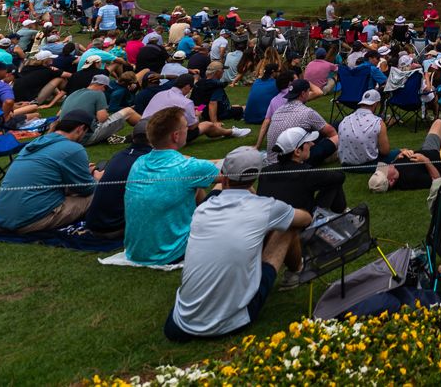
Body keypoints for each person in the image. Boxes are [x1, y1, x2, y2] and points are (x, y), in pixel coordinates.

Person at [164, 146, 310, 342]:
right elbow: (305, 219)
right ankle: (296, 271)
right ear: (255, 178)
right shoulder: (266, 207)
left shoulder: (202, 210)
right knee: (287, 227)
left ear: (223, 177)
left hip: (180, 324)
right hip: (232, 321)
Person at [124, 107, 221, 265]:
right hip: (171, 253)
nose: (189, 130)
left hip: (136, 252)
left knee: (195, 185)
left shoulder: (139, 162)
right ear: (176, 136)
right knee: (227, 186)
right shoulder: (188, 167)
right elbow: (235, 174)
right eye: (185, 127)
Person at [0, 111, 99, 233]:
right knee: (101, 192)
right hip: (28, 221)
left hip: (1, 219)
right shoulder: (73, 148)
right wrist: (97, 177)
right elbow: (86, 189)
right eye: (86, 132)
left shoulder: (35, 143)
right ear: (80, 129)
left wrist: (82, 172)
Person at [84, 119, 154, 237]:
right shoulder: (148, 161)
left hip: (93, 223)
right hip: (113, 228)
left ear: (132, 137)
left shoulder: (120, 155)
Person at [259, 127, 348, 215]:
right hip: (299, 225)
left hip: (267, 223)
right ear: (297, 152)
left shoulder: (265, 171)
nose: (312, 144)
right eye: (307, 143)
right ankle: (344, 216)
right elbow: (340, 176)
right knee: (334, 183)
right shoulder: (306, 173)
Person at [143, 73, 249, 143]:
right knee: (208, 125)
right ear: (187, 87)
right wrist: (197, 115)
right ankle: (231, 132)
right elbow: (193, 126)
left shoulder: (160, 94)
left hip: (146, 130)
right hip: (164, 137)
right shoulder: (187, 101)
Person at [260, 79, 337, 165]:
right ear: (303, 94)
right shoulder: (307, 113)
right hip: (291, 161)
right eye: (308, 91)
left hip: (273, 159)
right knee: (336, 137)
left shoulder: (278, 110)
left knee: (323, 130)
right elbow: (332, 132)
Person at [367, 119, 441, 193]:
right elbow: (437, 180)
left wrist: (400, 155)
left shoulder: (392, 170)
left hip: (428, 149)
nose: (386, 166)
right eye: (385, 170)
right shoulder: (409, 179)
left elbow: (390, 163)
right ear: (391, 181)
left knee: (439, 122)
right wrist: (425, 160)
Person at [60, 73, 141, 145]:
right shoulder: (98, 93)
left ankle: (109, 137)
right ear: (103, 86)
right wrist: (105, 114)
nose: (104, 90)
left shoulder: (74, 93)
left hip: (66, 137)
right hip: (83, 137)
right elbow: (102, 119)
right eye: (105, 88)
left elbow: (59, 114)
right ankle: (149, 129)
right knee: (128, 111)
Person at [335, 89, 392, 168]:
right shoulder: (378, 122)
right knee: (397, 154)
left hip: (346, 165)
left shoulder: (345, 120)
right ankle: (383, 174)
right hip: (368, 165)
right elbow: (385, 151)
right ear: (376, 104)